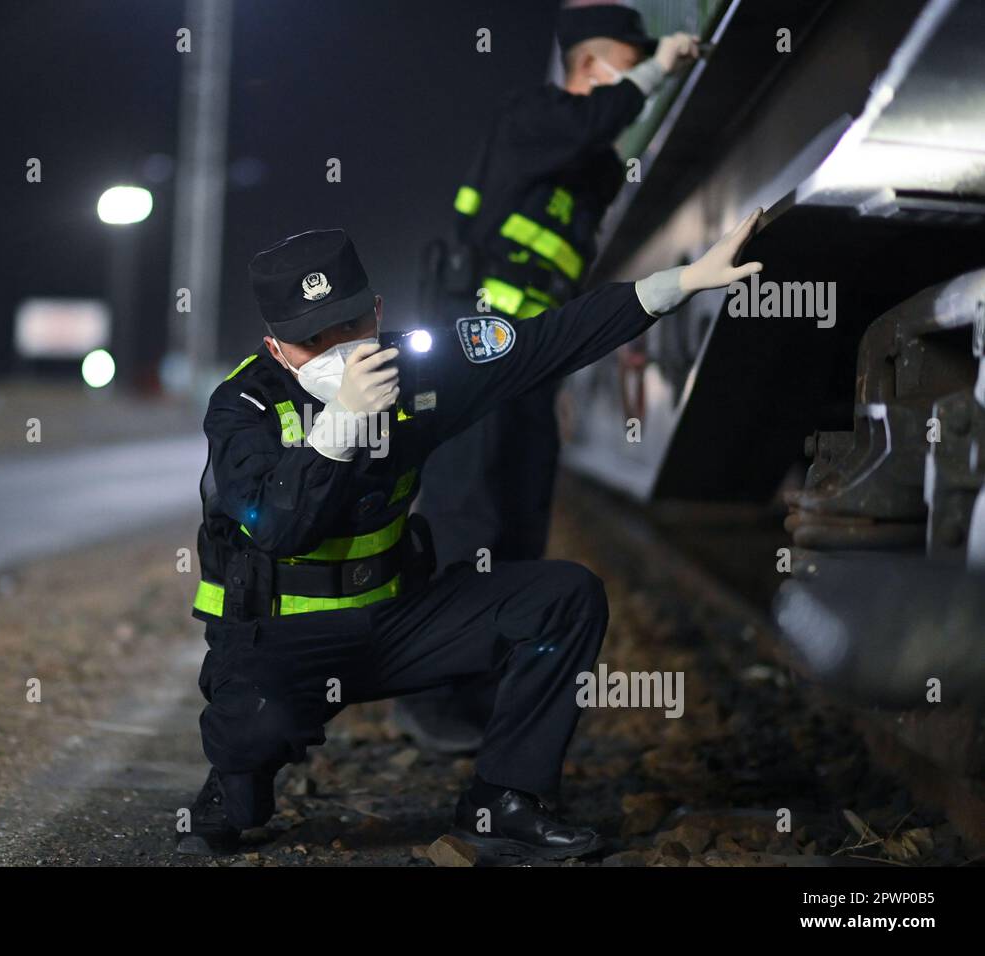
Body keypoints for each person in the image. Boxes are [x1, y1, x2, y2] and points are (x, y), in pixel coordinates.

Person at [179, 217, 762, 860]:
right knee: (250, 750)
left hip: (394, 624)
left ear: (376, 312)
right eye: (312, 341)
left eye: (350, 326)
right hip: (281, 642)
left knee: (563, 598)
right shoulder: (243, 408)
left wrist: (678, 283)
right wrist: (341, 422)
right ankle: (236, 780)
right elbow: (279, 529)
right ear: (275, 349)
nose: (340, 350)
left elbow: (546, 342)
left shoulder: (419, 371)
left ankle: (503, 802)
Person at [401, 5, 701, 752]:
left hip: (530, 366)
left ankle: (490, 690)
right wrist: (656, 69)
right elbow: (584, 121)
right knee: (466, 521)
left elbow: (592, 155)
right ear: (590, 67)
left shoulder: (588, 166)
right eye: (622, 67)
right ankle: (433, 701)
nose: (635, 83)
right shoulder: (530, 118)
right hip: (471, 361)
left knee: (519, 527)